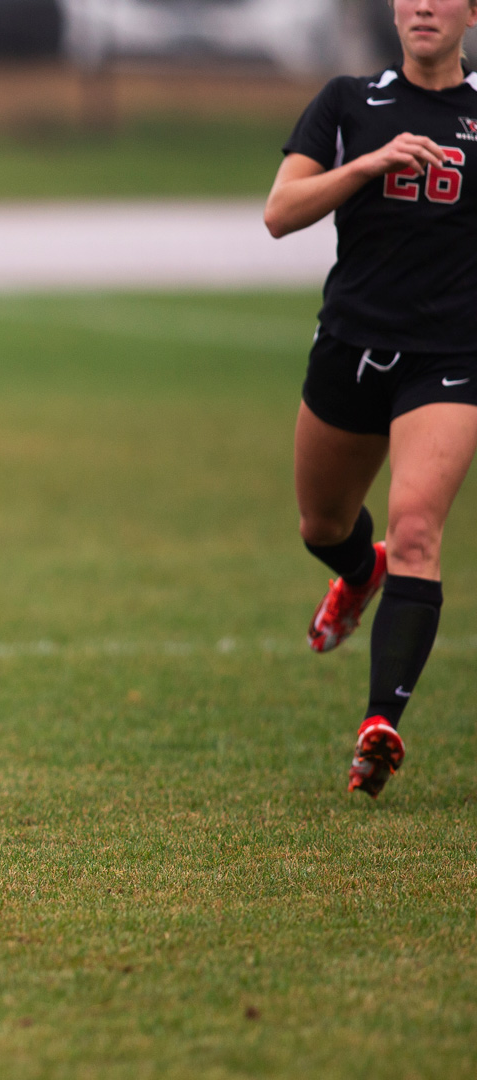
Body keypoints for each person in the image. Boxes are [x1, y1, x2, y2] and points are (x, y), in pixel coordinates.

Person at [264, 0, 477, 798]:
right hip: (351, 346)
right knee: (322, 524)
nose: (423, 5)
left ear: (471, 11)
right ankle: (359, 572)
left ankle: (379, 724)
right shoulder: (349, 101)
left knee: (417, 529)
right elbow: (279, 213)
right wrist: (366, 166)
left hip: (450, 360)